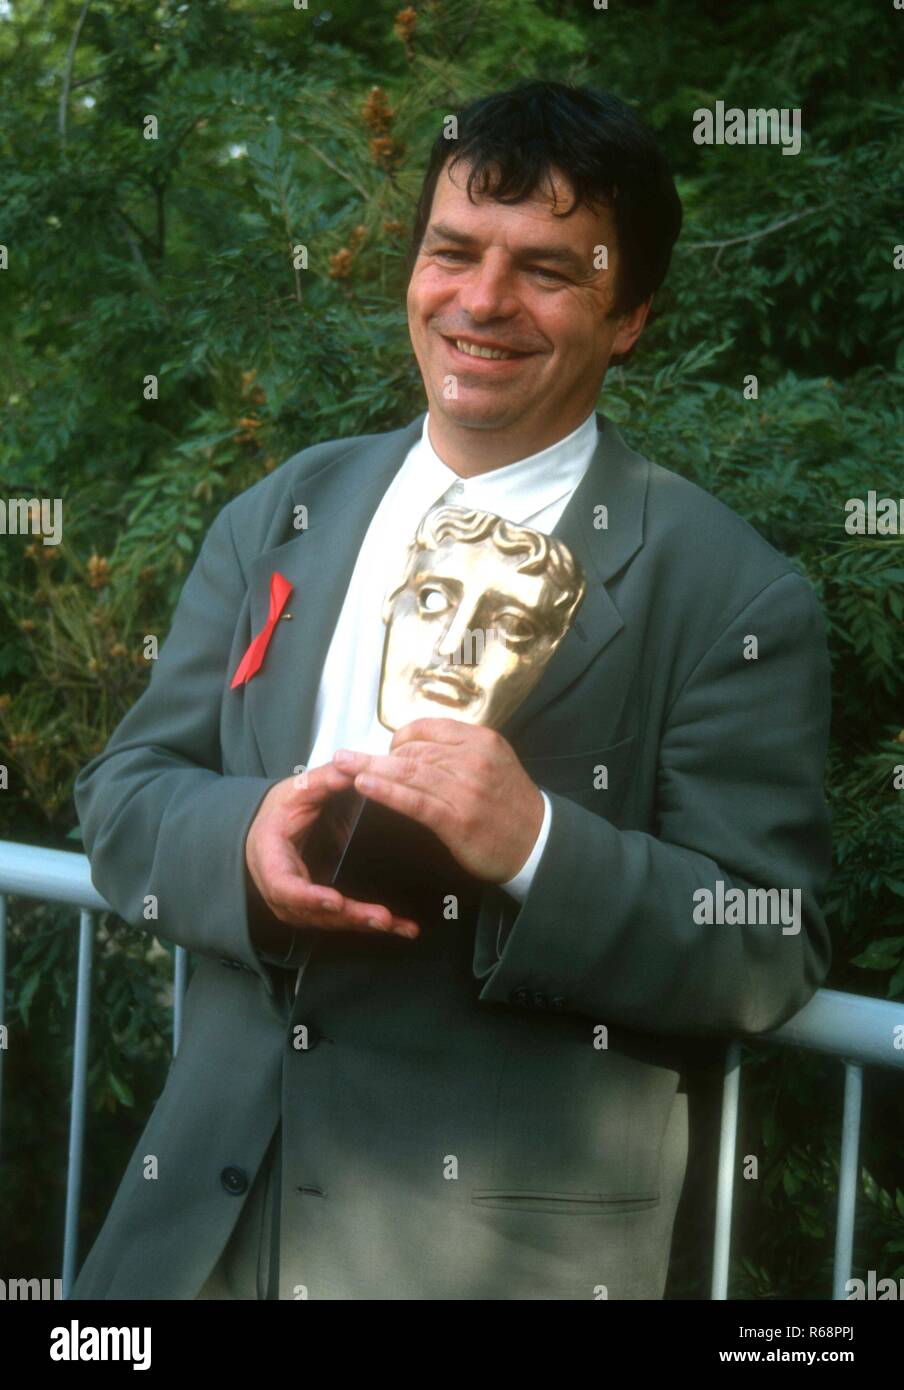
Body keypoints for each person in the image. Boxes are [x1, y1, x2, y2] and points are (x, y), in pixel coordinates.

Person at [70, 80, 832, 1301]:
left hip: (480, 1260)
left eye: (545, 269)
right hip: (193, 1234)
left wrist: (534, 843)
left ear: (629, 313)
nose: (481, 300)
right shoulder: (283, 511)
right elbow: (123, 794)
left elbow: (770, 940)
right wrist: (241, 834)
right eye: (452, 251)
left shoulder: (730, 591)